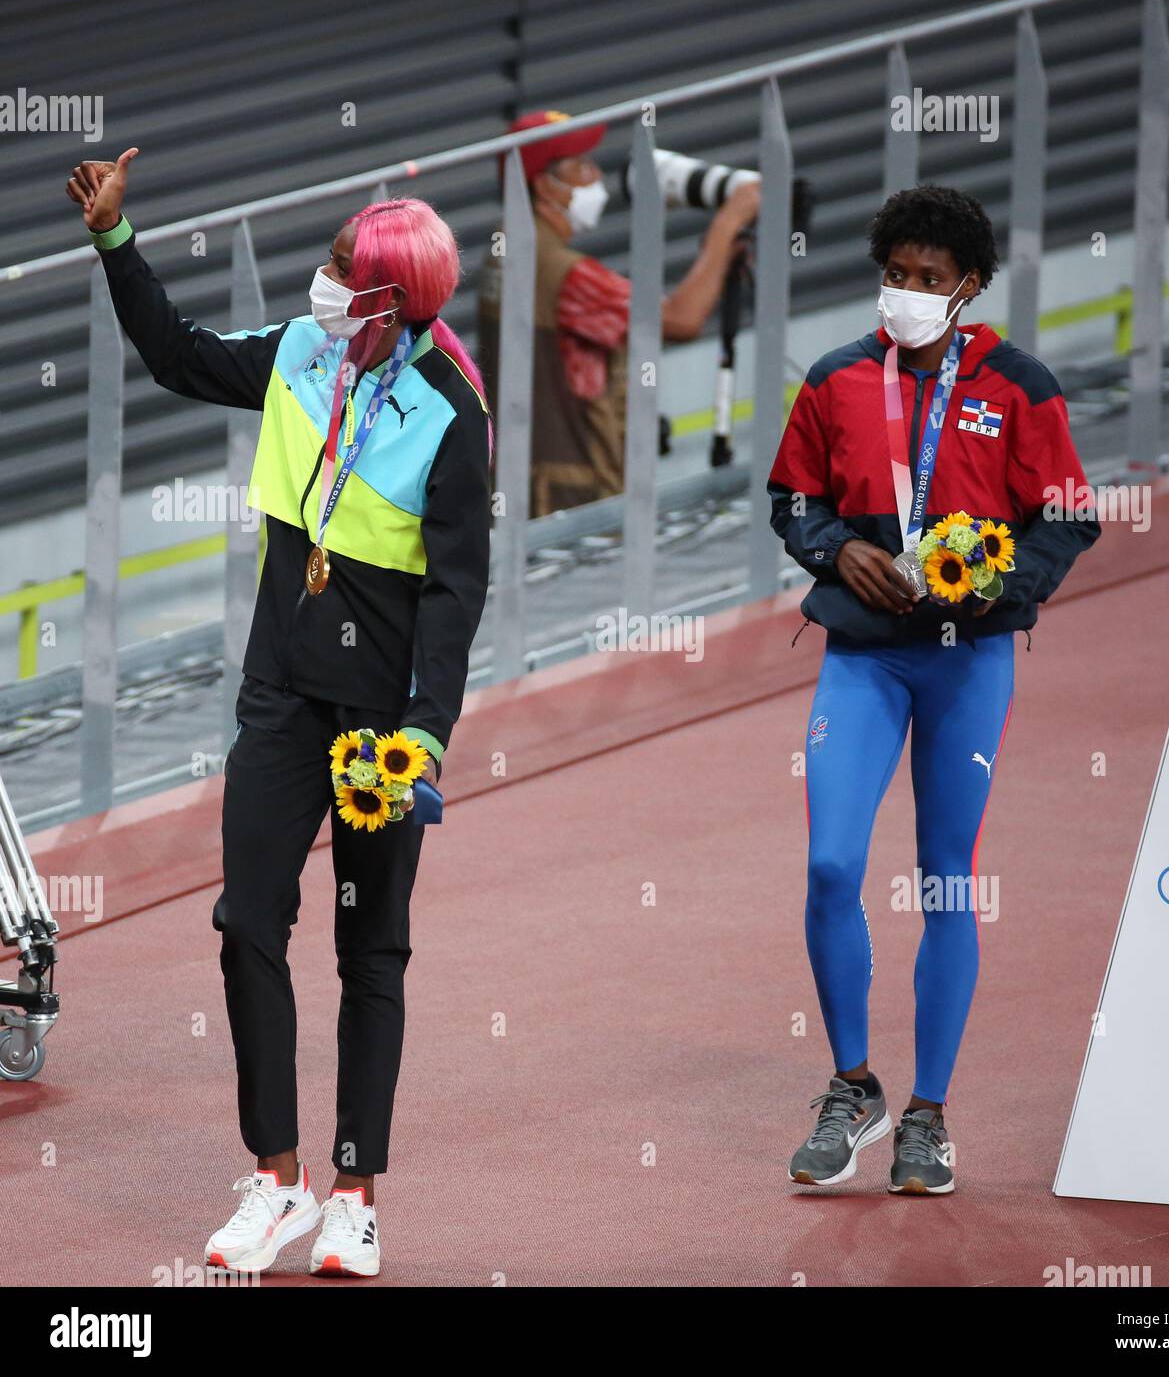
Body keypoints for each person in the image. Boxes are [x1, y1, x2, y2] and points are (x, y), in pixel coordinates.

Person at [67, 149, 492, 1273]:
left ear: (389, 299)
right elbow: (178, 355)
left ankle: (355, 1191)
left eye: (342, 266)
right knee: (246, 920)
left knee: (372, 948)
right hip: (280, 696)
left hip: (380, 725)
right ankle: (278, 1181)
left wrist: (423, 733)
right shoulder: (304, 349)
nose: (320, 277)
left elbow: (456, 592)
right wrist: (117, 237)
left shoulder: (452, 414)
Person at [769, 184, 1100, 1195]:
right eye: (893, 275)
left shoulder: (1018, 384)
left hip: (968, 657)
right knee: (831, 865)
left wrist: (1006, 578)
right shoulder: (835, 379)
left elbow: (1068, 513)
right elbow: (792, 496)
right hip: (865, 655)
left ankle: (928, 1115)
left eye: (926, 280)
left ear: (966, 288)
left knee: (946, 875)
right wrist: (834, 553)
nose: (904, 294)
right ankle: (852, 1084)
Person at [477, 109, 760, 516]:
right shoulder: (563, 271)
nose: (596, 175)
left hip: (518, 481)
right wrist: (729, 220)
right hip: (569, 496)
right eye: (581, 166)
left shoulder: (502, 253)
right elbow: (681, 319)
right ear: (544, 186)